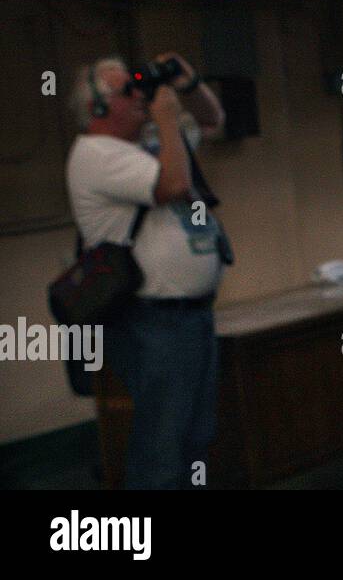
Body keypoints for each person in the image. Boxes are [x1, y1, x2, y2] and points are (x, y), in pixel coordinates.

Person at [66, 54, 227, 488]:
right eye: (126, 91)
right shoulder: (96, 154)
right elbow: (173, 184)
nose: (140, 95)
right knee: (162, 447)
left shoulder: (151, 142)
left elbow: (213, 121)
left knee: (195, 438)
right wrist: (168, 120)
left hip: (189, 316)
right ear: (97, 108)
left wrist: (188, 82)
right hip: (150, 321)